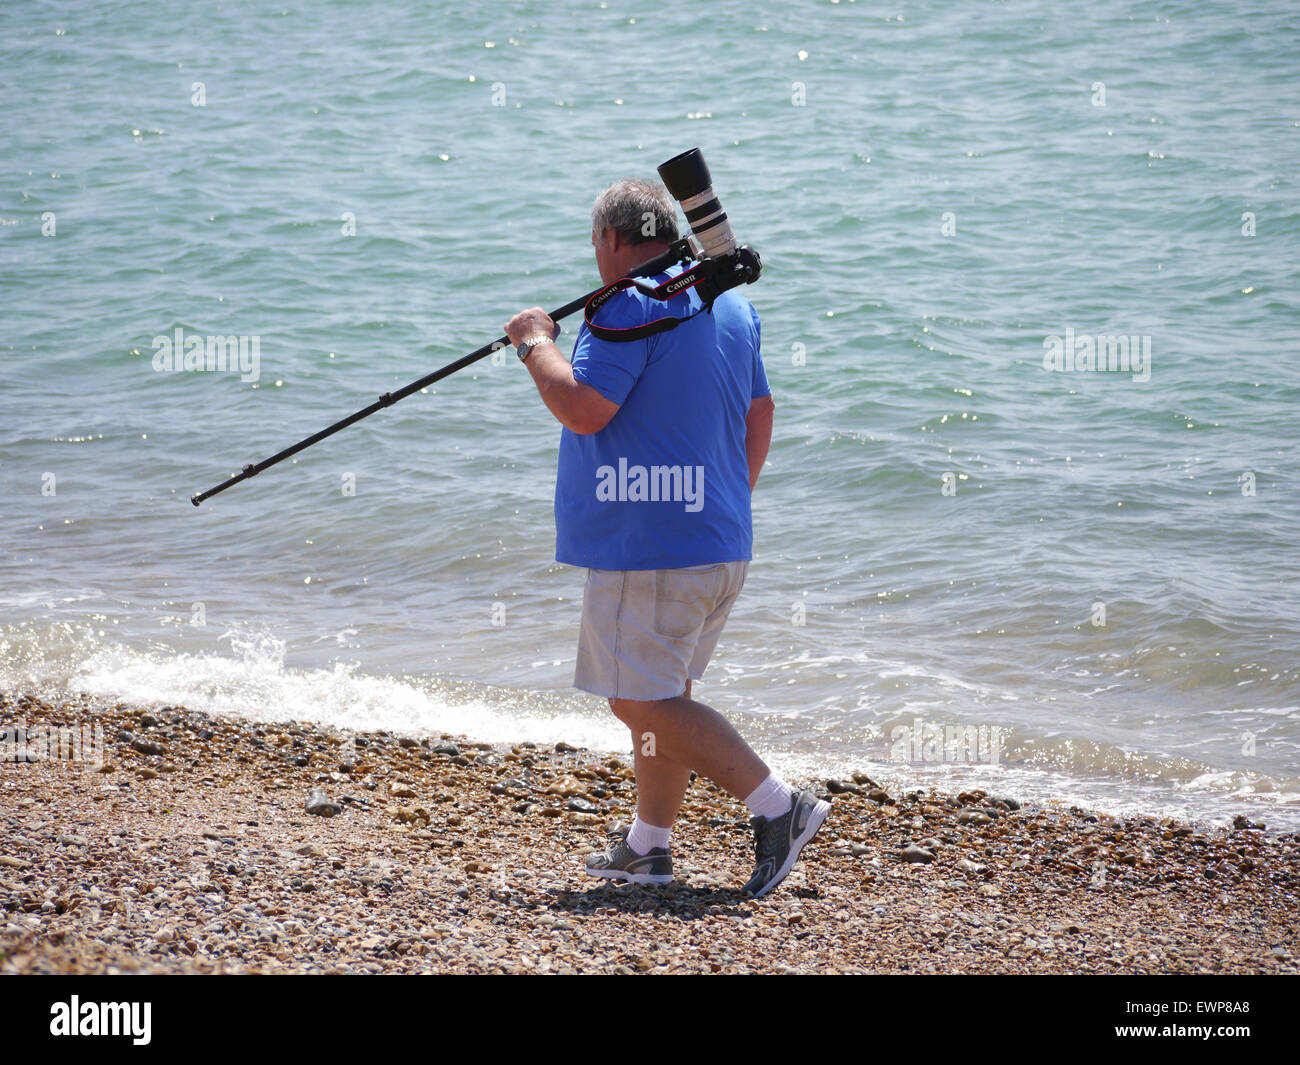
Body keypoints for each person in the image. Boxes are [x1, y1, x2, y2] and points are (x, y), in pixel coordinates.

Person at [503, 176, 829, 898]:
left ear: (613, 240)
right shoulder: (731, 303)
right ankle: (649, 846)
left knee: (639, 702)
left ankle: (780, 805)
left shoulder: (627, 307)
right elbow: (761, 413)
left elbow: (585, 407)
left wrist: (533, 344)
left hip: (648, 549)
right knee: (661, 694)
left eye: (595, 244)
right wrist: (722, 503)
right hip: (721, 540)